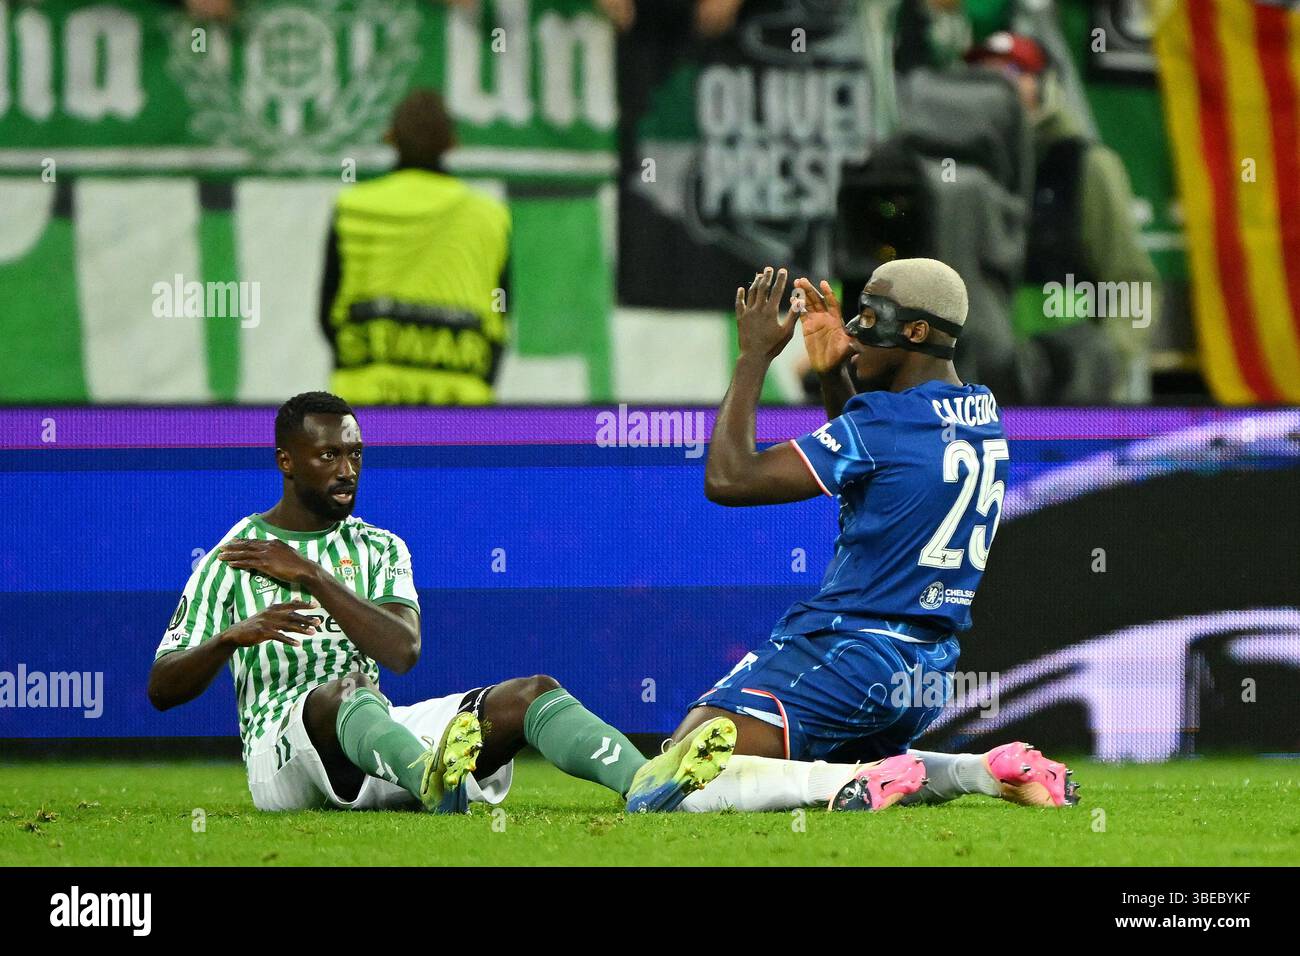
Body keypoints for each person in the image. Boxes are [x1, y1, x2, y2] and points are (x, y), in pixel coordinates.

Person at [148, 391, 735, 814]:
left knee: (531, 693)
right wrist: (230, 638)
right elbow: (162, 688)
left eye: (355, 454)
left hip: (375, 735)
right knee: (349, 692)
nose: (347, 470)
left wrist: (314, 576)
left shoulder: (380, 548)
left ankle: (643, 781)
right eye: (328, 456)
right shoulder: (236, 556)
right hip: (279, 757)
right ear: (286, 461)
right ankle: (431, 776)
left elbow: (402, 651)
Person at [661, 260, 1078, 812]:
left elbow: (730, 479)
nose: (853, 330)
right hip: (926, 669)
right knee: (824, 764)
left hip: (849, 653)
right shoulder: (982, 412)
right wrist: (835, 375)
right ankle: (979, 771)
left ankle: (844, 789)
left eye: (870, 315)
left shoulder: (885, 422)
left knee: (679, 773)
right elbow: (871, 473)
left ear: (916, 331)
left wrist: (755, 356)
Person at [967, 32, 1159, 403]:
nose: (995, 88)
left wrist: (1104, 360)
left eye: (1011, 73)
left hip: (1067, 392)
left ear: (1043, 85)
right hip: (981, 391)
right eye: (980, 77)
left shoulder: (1087, 166)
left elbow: (1132, 281)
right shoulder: (959, 173)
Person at [319, 89, 510, 405]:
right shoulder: (490, 216)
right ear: (453, 143)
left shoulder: (353, 207)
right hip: (459, 406)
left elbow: (328, 313)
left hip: (366, 404)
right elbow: (501, 314)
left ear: (390, 137)